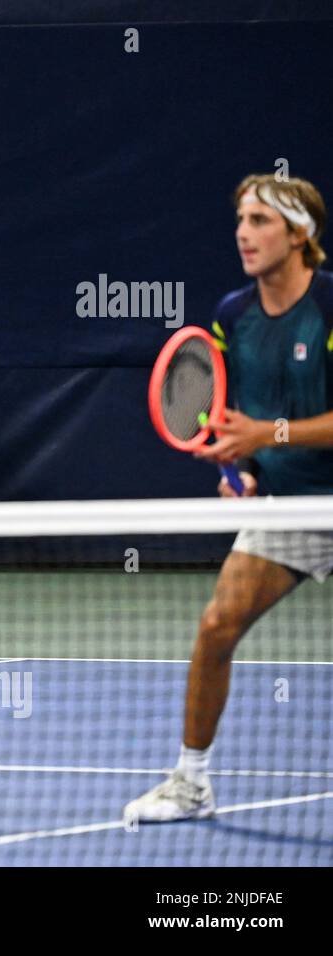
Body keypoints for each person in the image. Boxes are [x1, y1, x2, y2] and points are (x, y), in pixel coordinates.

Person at [125, 174, 333, 823]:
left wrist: (267, 433)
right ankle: (191, 784)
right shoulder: (231, 316)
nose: (244, 233)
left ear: (300, 234)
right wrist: (239, 464)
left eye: (261, 221)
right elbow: (240, 412)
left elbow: (273, 422)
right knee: (216, 627)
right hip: (291, 508)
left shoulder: (330, 306)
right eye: (241, 219)